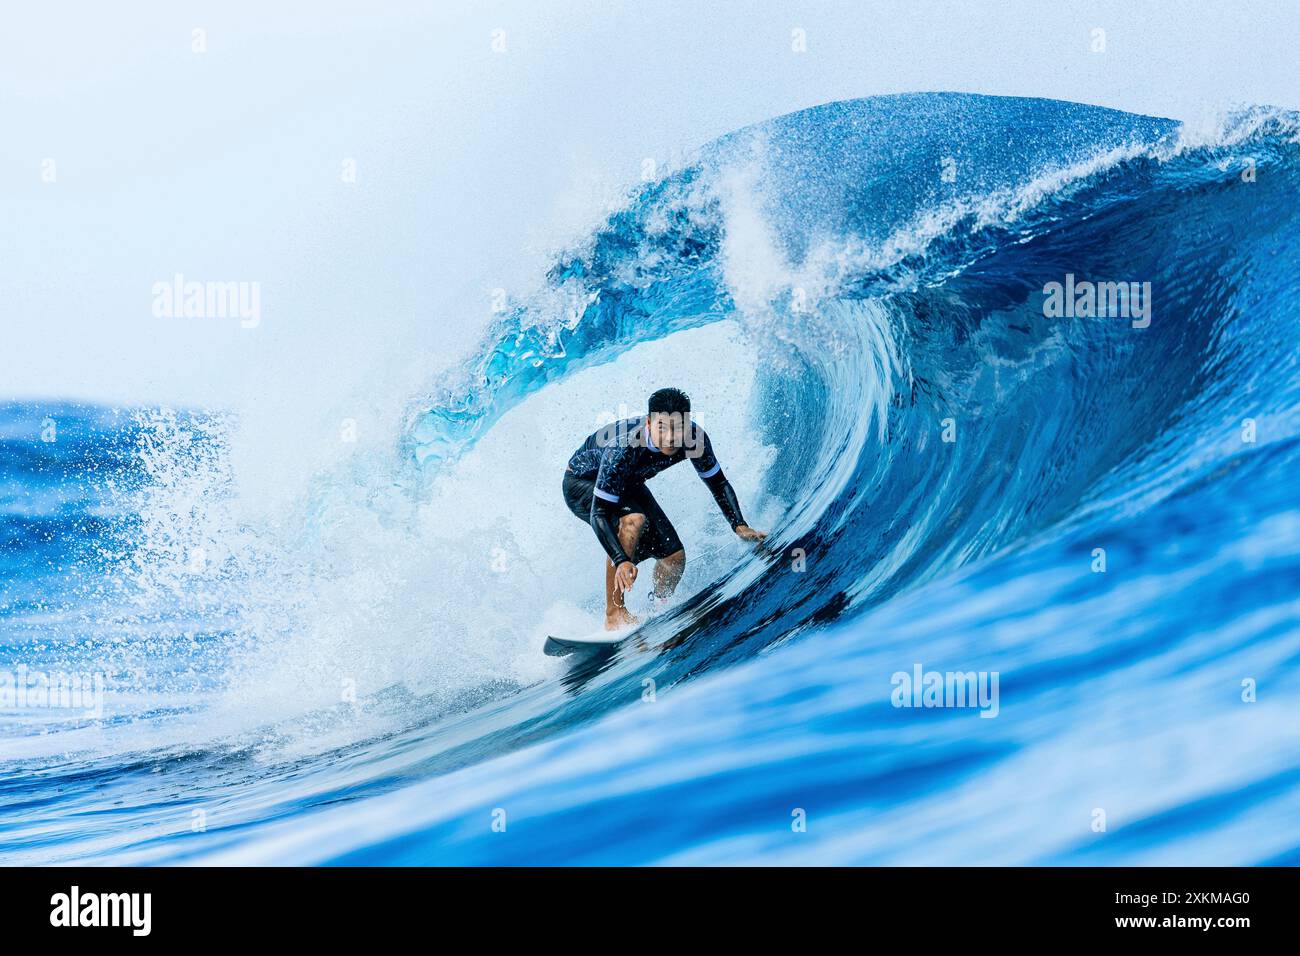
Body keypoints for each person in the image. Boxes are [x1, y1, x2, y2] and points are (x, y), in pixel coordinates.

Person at [562, 387, 767, 630]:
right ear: (649, 423)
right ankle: (614, 614)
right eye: (662, 428)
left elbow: (718, 483)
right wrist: (621, 560)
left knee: (674, 557)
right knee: (632, 521)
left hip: (628, 483)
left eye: (678, 427)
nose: (670, 437)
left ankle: (658, 605)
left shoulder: (694, 439)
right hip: (581, 482)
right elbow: (600, 514)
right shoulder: (624, 448)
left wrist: (738, 524)